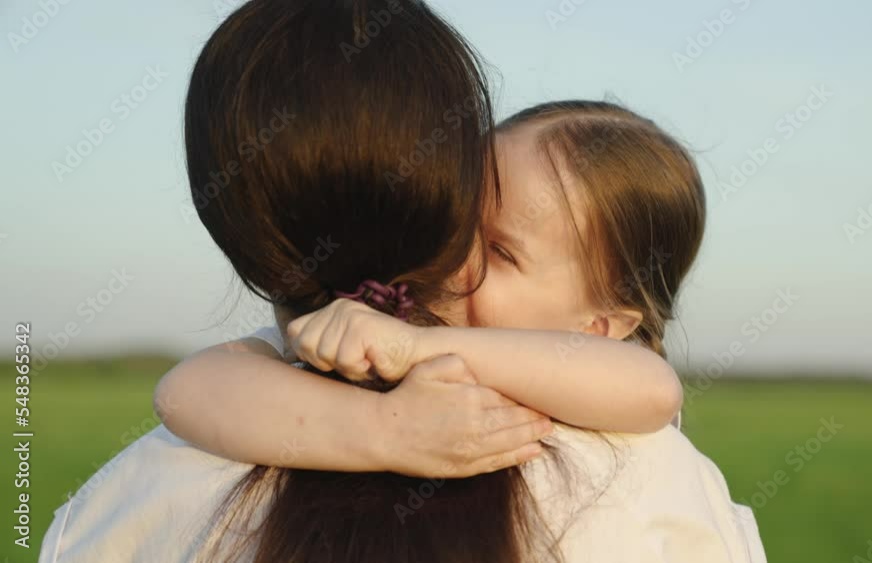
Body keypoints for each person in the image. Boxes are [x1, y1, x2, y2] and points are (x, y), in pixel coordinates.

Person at [39, 1, 766, 561]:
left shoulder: (117, 508)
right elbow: (190, 390)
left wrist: (414, 356)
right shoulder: (670, 493)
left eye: (502, 253)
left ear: (601, 325)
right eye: (460, 221)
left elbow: (653, 389)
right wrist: (382, 429)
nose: (458, 264)